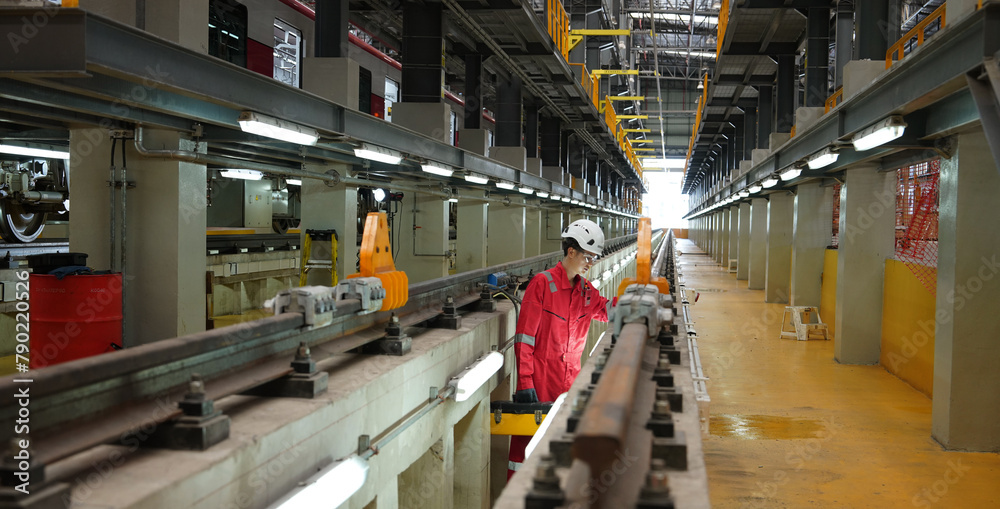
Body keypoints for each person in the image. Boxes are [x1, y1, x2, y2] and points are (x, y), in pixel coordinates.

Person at [507, 219, 613, 479]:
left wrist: (636, 303)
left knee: (563, 448)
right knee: (526, 450)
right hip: (539, 382)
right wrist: (525, 384)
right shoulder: (542, 285)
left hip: (569, 383)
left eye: (595, 258)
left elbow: (606, 310)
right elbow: (525, 339)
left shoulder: (586, 291)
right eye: (588, 257)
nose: (591, 263)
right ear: (571, 251)